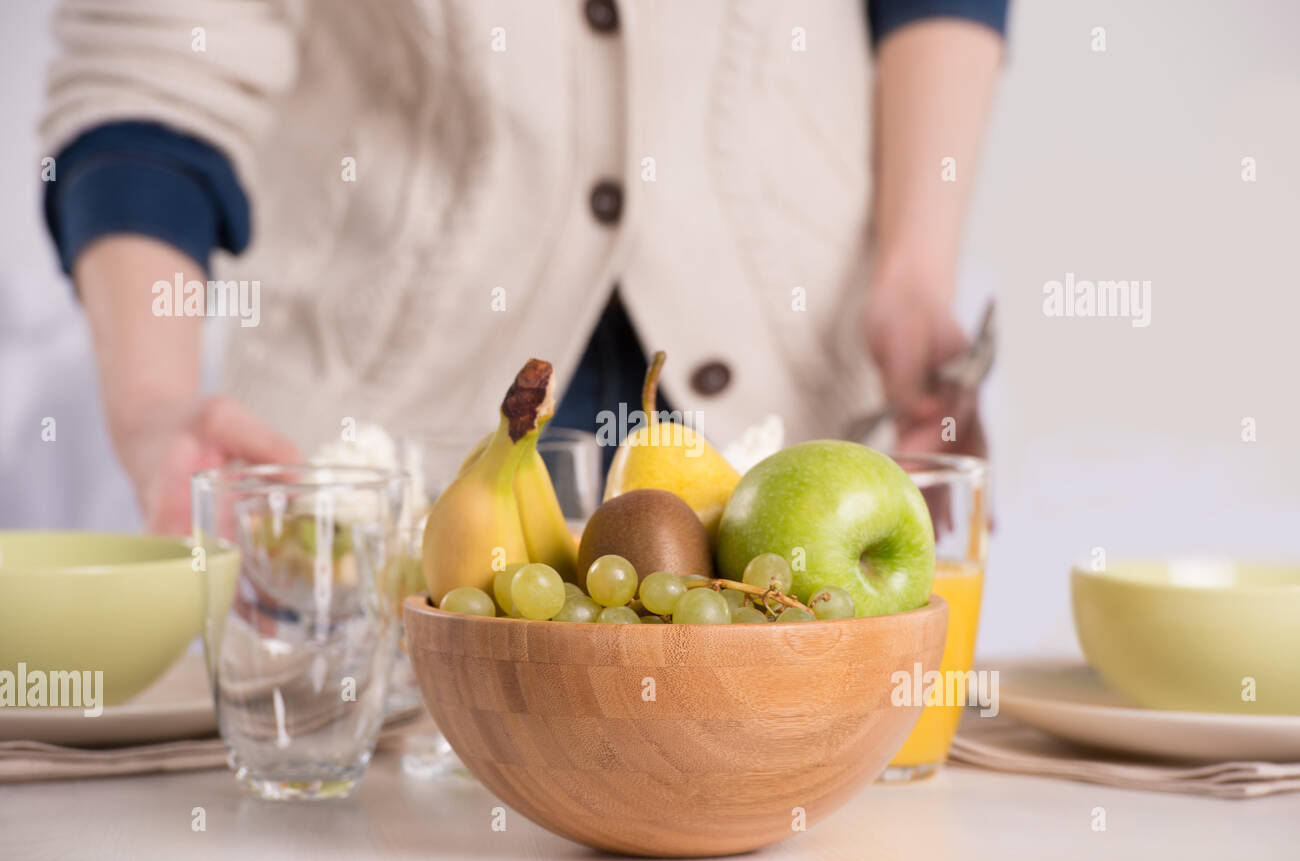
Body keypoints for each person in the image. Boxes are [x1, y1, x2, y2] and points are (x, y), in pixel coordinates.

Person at [41, 0, 1006, 534]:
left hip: (791, 452)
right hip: (370, 501)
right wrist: (155, 401)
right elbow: (154, 56)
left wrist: (911, 277)